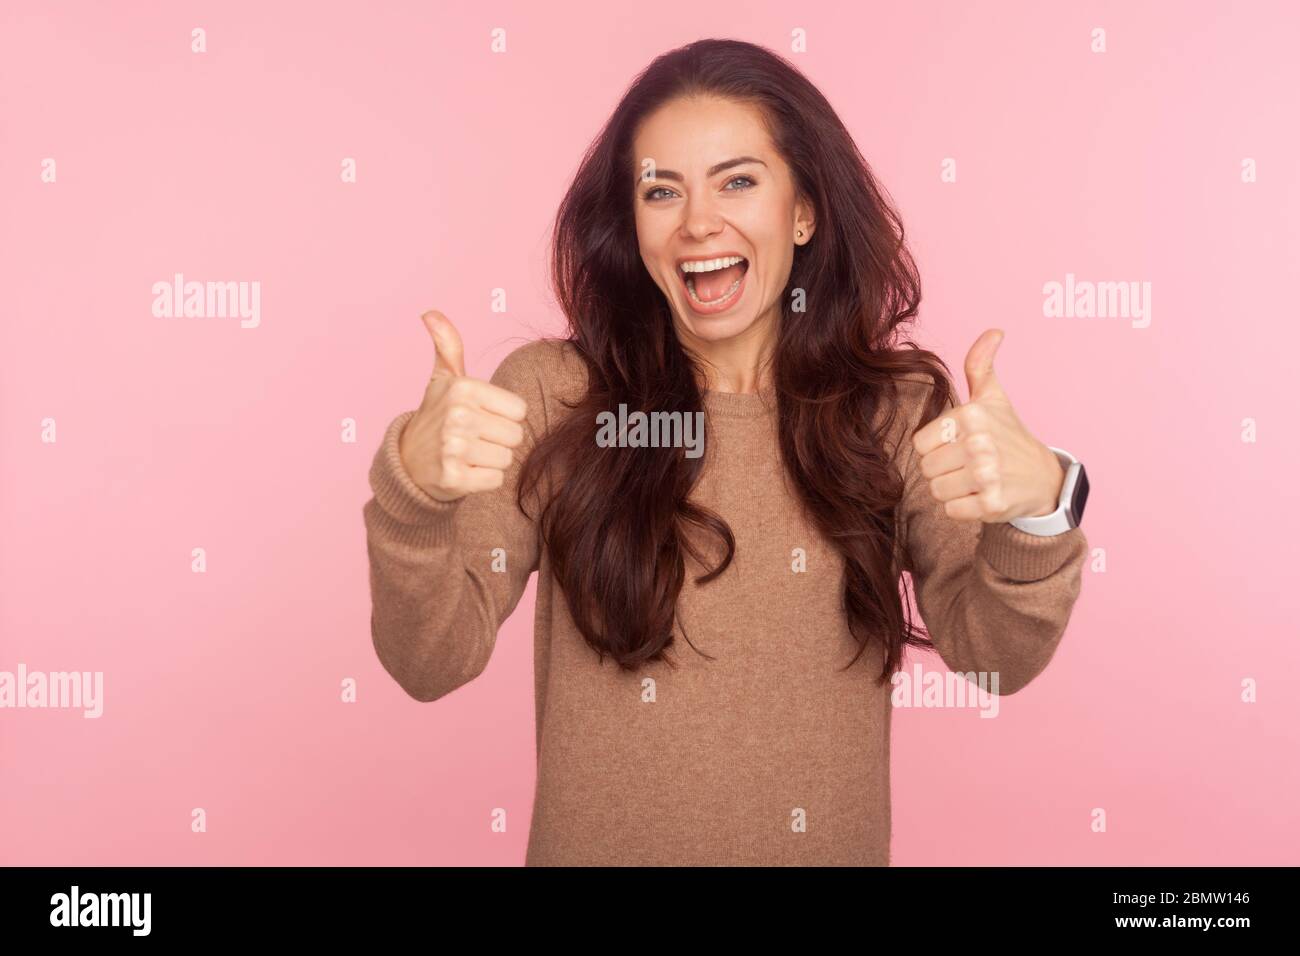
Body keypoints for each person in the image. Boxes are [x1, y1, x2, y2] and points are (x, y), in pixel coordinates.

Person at [362, 38, 1090, 866]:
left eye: (738, 180)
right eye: (661, 190)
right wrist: (414, 493)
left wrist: (1039, 509)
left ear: (804, 212)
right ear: (632, 224)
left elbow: (996, 659)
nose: (698, 222)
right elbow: (429, 660)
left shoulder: (895, 413)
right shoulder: (551, 396)